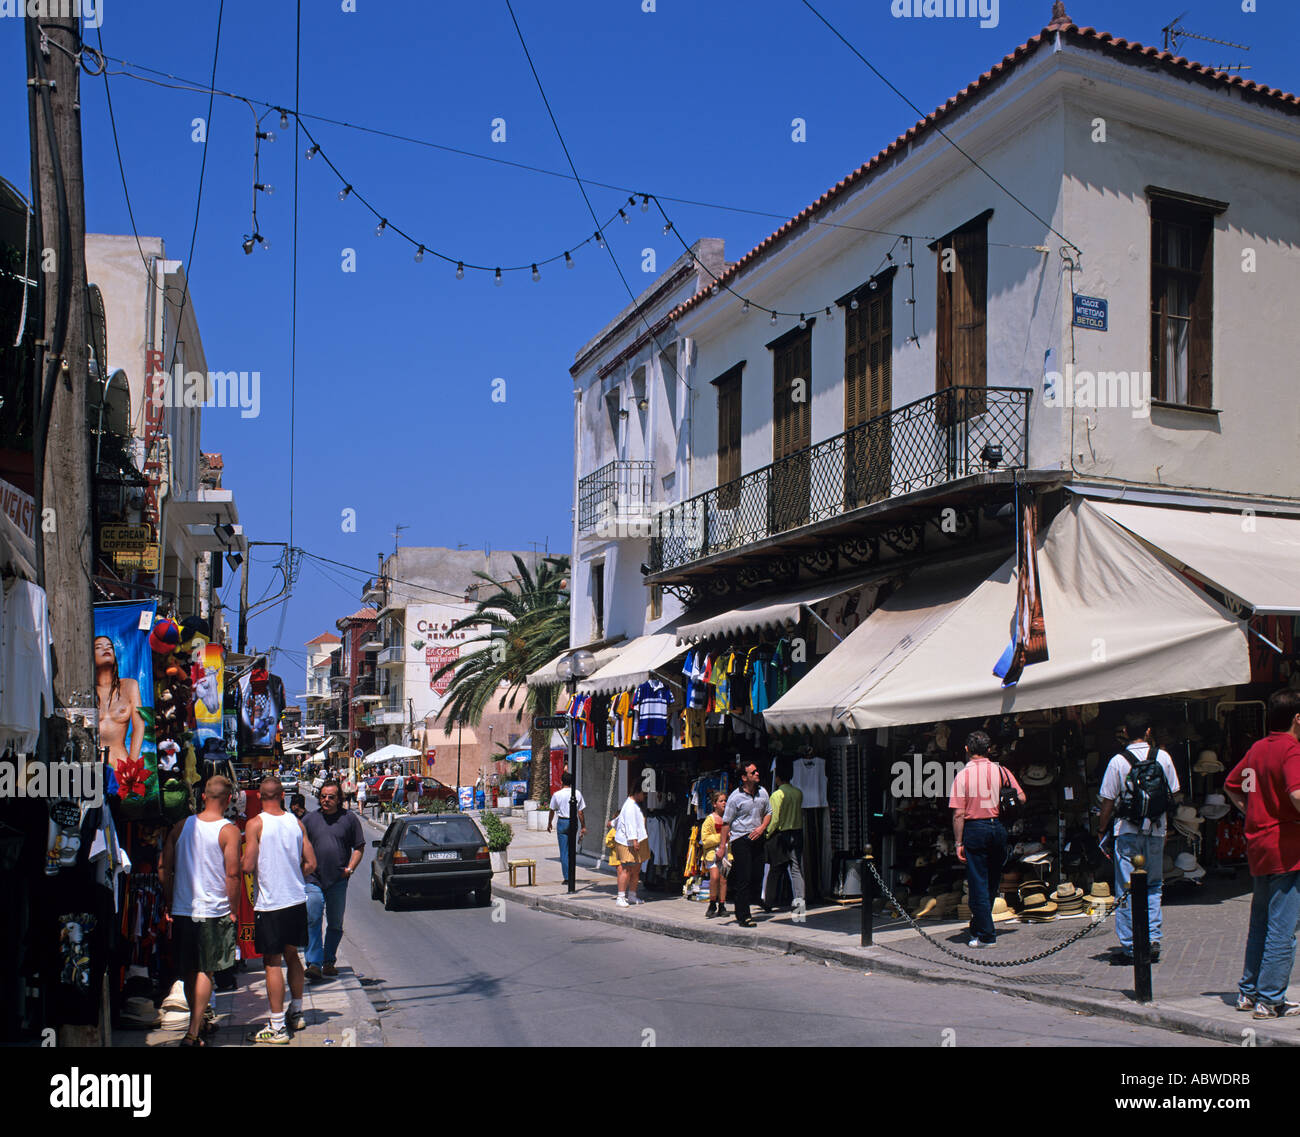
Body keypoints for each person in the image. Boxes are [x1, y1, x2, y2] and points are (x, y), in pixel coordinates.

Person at [1225, 688, 1300, 1018]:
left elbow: (1231, 784)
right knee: (1283, 927)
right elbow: (1297, 793)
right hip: (1286, 847)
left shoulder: (1257, 749)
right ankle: (1270, 999)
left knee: (1260, 923)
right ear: (1297, 718)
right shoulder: (1292, 749)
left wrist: (1252, 810)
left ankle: (1248, 992)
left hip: (1258, 845)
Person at [161, 774, 240, 1047]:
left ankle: (200, 1021)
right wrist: (234, 909)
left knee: (188, 970)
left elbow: (164, 868)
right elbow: (233, 875)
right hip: (213, 910)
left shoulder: (180, 826)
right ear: (229, 799)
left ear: (203, 797)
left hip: (184, 909)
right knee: (206, 970)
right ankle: (193, 1031)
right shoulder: (228, 831)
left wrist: (170, 901)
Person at [1098, 710, 1180, 964]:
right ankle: (1152, 939)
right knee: (1154, 885)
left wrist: (1102, 830)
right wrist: (1165, 828)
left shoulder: (1118, 761)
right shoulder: (1163, 757)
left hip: (1127, 831)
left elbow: (1108, 801)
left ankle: (1133, 945)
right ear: (1148, 731)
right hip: (1155, 830)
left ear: (1125, 733)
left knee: (1126, 888)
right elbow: (1174, 795)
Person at [242, 776, 316, 1043]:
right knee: (293, 956)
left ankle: (276, 1026)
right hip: (295, 899)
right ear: (282, 795)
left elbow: (248, 865)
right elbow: (311, 863)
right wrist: (292, 873)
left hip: (271, 903)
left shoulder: (255, 824)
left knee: (272, 963)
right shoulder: (296, 823)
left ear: (260, 796)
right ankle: (296, 1012)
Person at [950, 730, 1025, 947]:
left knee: (977, 883)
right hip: (997, 827)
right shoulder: (1001, 771)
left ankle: (986, 934)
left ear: (967, 750)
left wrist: (958, 842)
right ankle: (980, 925)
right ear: (989, 749)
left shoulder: (962, 775)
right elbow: (1021, 797)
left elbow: (958, 814)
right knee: (992, 881)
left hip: (975, 829)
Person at [303, 780, 365, 982]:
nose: (326, 800)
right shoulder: (310, 820)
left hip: (338, 880)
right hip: (313, 879)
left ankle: (328, 961)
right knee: (313, 918)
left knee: (335, 922)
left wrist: (350, 869)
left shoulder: (349, 819)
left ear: (339, 799)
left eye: (331, 797)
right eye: (323, 796)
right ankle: (314, 963)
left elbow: (359, 847)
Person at [719, 761, 771, 928]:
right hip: (741, 839)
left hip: (758, 837)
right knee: (745, 878)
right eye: (752, 772)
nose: (757, 774)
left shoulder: (763, 792)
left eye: (757, 771)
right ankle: (743, 915)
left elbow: (769, 812)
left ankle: (752, 899)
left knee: (757, 874)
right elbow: (726, 822)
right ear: (744, 777)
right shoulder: (735, 797)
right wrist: (722, 847)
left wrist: (762, 828)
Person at [94, 634, 146, 771]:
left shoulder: (129, 686)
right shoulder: (87, 690)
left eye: (109, 647)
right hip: (92, 763)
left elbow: (139, 726)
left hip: (121, 763)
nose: (106, 649)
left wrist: (133, 764)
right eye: (99, 647)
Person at [762, 756, 805, 913]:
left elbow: (774, 819)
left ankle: (769, 901)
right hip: (798, 832)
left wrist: (766, 833)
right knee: (796, 869)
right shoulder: (798, 793)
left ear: (778, 778)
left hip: (782, 834)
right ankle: (800, 902)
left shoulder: (777, 795)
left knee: (776, 869)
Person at [611, 785, 649, 907]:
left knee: (636, 870)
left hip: (638, 839)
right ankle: (621, 897)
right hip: (629, 842)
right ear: (637, 792)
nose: (644, 796)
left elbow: (620, 819)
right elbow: (629, 823)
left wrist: (612, 823)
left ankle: (632, 895)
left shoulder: (633, 805)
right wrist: (634, 840)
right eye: (643, 793)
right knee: (626, 869)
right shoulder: (630, 806)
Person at [547, 771, 587, 884]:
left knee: (563, 851)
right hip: (573, 821)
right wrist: (583, 826)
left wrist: (549, 823)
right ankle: (572, 873)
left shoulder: (557, 794)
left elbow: (552, 810)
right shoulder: (577, 793)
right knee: (571, 849)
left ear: (561, 781)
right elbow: (580, 812)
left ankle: (567, 877)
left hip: (562, 821)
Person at [701, 791, 730, 918]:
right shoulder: (709, 820)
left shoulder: (728, 818)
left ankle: (722, 905)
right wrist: (721, 837)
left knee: (723, 879)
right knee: (714, 877)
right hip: (712, 853)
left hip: (726, 852)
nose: (724, 803)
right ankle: (712, 903)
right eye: (721, 801)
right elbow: (705, 839)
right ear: (714, 804)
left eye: (725, 800)